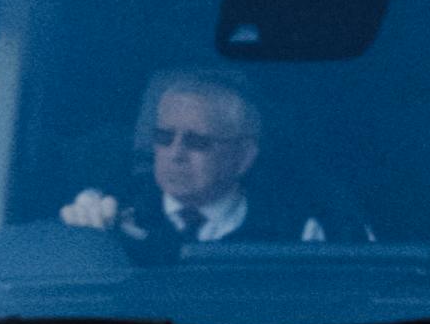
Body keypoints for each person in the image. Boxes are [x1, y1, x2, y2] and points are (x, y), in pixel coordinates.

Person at [62, 66, 294, 253]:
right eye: (164, 137)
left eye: (196, 141)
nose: (175, 154)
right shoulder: (114, 210)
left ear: (243, 156)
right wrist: (86, 224)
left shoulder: (290, 231)